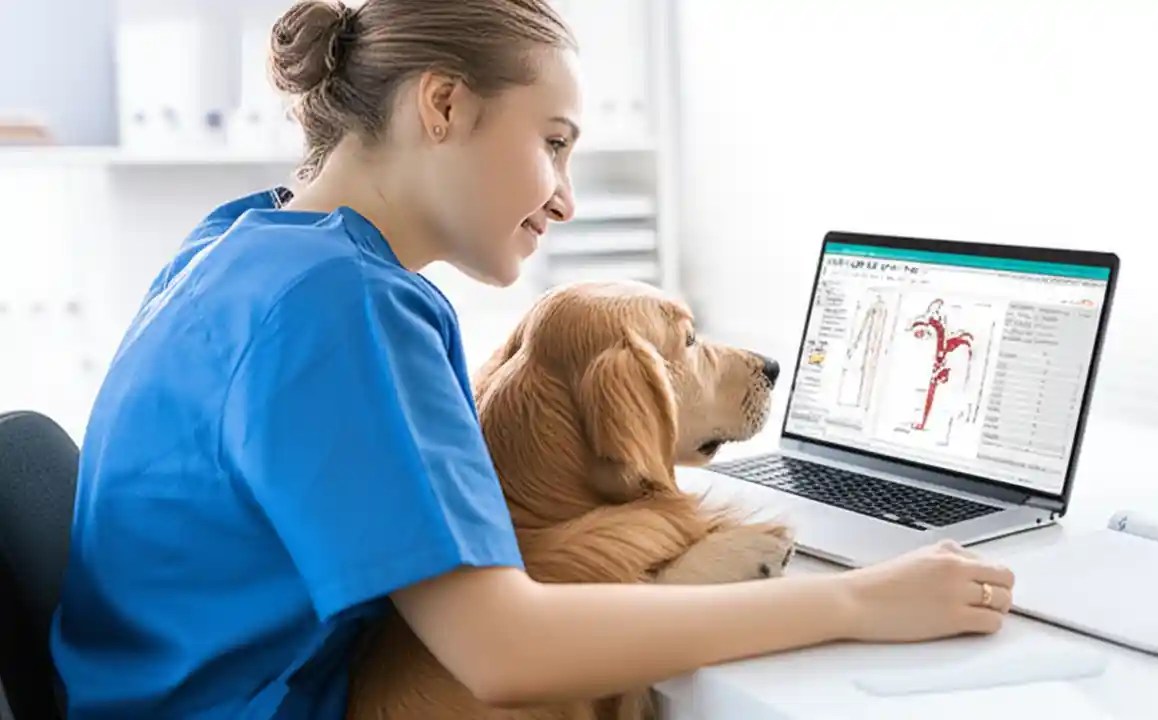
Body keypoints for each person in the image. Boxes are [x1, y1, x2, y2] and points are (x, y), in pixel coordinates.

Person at [49, 0, 1016, 717]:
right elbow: (502, 652)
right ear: (441, 105)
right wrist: (855, 600)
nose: (564, 197)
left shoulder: (240, 242)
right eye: (553, 144)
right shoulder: (348, 304)